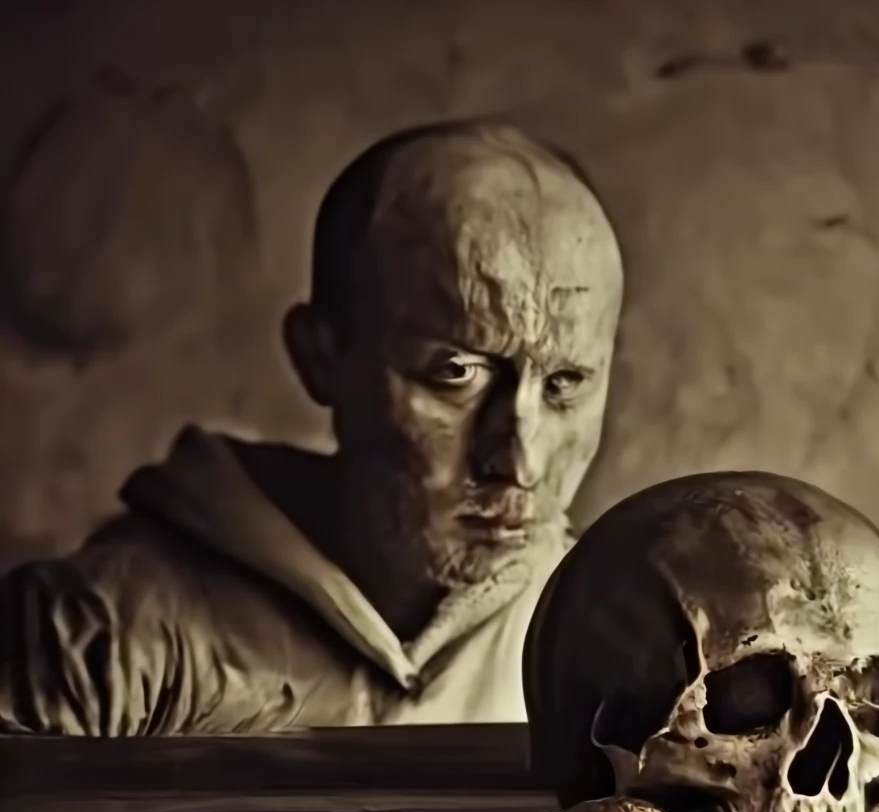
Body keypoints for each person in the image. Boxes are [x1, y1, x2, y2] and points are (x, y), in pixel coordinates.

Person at [0, 119, 625, 734]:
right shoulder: (106, 637)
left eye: (565, 383)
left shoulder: (620, 657)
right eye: (455, 373)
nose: (522, 462)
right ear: (321, 357)